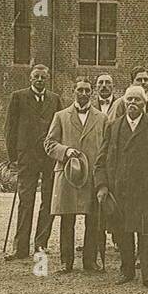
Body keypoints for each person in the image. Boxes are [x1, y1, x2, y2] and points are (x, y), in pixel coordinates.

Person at [93, 84, 148, 290]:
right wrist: (102, 186)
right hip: (119, 190)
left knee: (147, 234)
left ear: (145, 102)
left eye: (137, 100)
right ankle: (127, 270)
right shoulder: (113, 127)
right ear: (123, 102)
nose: (132, 103)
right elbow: (100, 160)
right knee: (122, 232)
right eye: (129, 99)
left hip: (145, 191)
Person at [44, 77, 108, 273]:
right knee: (67, 218)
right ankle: (66, 261)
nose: (84, 94)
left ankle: (90, 261)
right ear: (73, 92)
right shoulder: (61, 116)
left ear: (92, 93)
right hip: (68, 173)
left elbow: (107, 146)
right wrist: (65, 151)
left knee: (93, 219)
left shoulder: (101, 118)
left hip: (92, 175)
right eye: (80, 90)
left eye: (87, 90)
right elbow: (49, 143)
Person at [5, 64, 62, 260]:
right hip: (26, 157)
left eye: (43, 78)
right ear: (30, 79)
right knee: (26, 200)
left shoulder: (54, 99)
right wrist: (13, 156)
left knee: (48, 201)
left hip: (48, 158)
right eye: (36, 77)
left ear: (47, 79)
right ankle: (20, 247)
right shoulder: (18, 97)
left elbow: (59, 128)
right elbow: (10, 128)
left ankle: (41, 244)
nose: (39, 80)